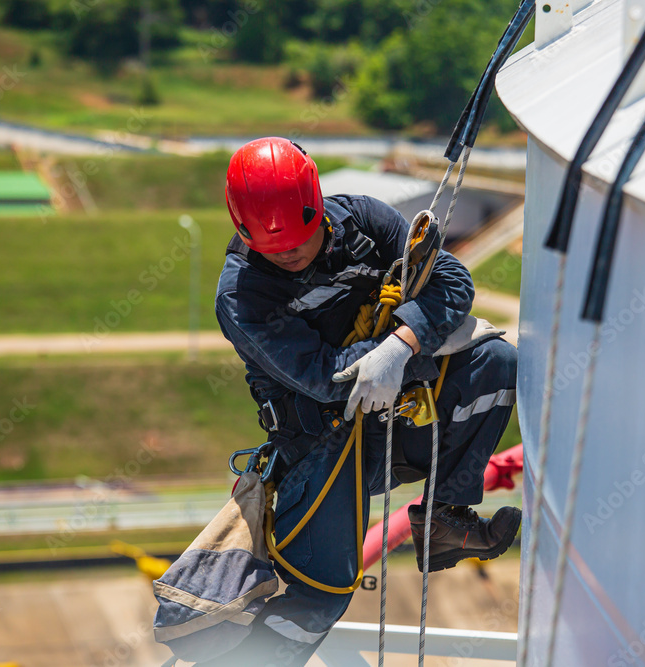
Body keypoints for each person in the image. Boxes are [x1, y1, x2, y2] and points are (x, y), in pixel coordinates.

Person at [207, 137, 520, 667]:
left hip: (399, 419)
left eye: (299, 239)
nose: (287, 253)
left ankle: (444, 519)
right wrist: (410, 341)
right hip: (321, 446)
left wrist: (402, 345)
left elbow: (451, 280)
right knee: (320, 595)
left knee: (495, 363)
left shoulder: (364, 223)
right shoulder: (243, 296)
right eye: (271, 248)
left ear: (316, 205)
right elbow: (328, 379)